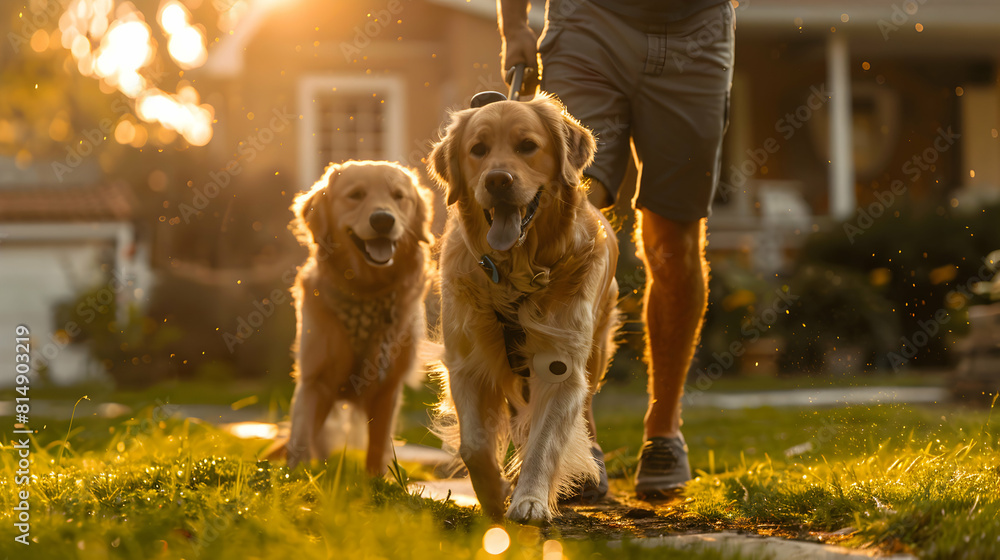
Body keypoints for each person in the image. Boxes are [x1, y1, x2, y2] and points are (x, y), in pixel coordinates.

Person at [498, 0, 735, 499]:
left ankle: (664, 431)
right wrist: (515, 25)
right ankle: (573, 431)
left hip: (697, 31)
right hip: (590, 23)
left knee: (673, 242)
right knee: (569, 216)